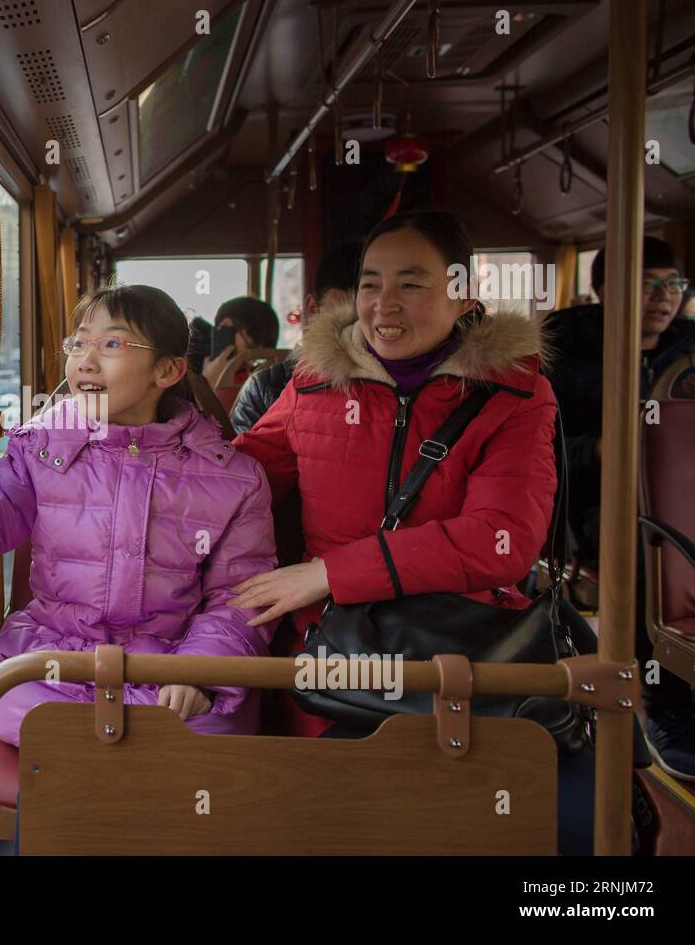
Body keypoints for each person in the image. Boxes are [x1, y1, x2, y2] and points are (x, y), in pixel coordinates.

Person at [231, 211, 594, 852]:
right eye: (371, 284)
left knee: (562, 824)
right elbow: (236, 483)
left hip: (466, 646)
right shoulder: (314, 384)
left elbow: (501, 540)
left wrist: (328, 573)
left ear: (462, 290)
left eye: (411, 283)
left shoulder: (514, 394)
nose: (383, 305)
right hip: (332, 649)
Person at [0, 283, 277, 748]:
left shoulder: (232, 479)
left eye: (112, 344)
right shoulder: (41, 448)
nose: (85, 360)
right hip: (56, 661)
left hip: (168, 665)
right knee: (16, 710)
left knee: (208, 724)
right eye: (78, 343)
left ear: (168, 370)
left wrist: (198, 675)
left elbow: (238, 598)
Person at [544, 236, 695, 782]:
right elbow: (536, 449)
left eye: (672, 285)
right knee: (645, 551)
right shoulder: (562, 352)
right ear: (605, 290)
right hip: (590, 507)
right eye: (646, 284)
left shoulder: (692, 349)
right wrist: (595, 449)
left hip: (689, 502)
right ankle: (667, 706)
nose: (662, 297)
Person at [229, 240, 364, 435]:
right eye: (344, 321)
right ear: (312, 309)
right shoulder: (266, 390)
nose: (358, 334)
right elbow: (246, 464)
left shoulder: (401, 387)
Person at [202, 296, 280, 414]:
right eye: (249, 348)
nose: (250, 362)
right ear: (226, 326)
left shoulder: (259, 379)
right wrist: (207, 385)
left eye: (258, 359)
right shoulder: (188, 365)